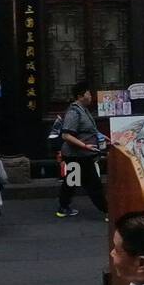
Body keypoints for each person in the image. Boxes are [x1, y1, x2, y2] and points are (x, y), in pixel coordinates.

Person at [55, 91, 109, 219]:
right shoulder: (74, 112)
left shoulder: (83, 110)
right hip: (78, 155)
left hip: (80, 154)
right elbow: (66, 135)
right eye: (88, 94)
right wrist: (84, 146)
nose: (90, 97)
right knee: (93, 183)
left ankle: (63, 208)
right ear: (80, 96)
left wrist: (103, 136)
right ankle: (107, 211)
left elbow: (90, 130)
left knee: (71, 182)